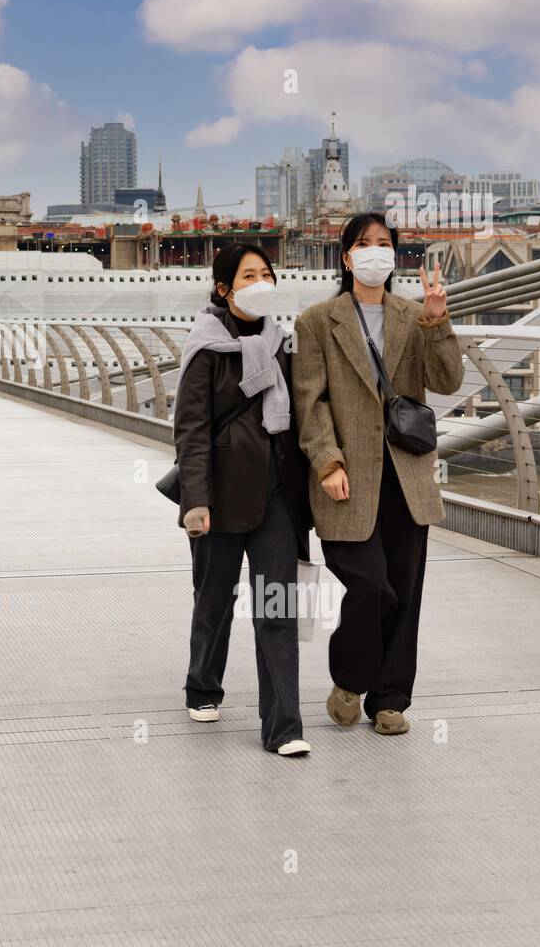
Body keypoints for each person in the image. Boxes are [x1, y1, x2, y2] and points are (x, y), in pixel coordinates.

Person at [293, 213, 463, 737]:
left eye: (384, 244)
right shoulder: (318, 321)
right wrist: (327, 461)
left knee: (404, 592)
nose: (374, 252)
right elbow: (310, 400)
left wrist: (438, 321)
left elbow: (447, 380)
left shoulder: (415, 317)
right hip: (346, 478)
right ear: (346, 258)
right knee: (371, 586)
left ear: (395, 255)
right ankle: (349, 679)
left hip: (406, 476)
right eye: (363, 245)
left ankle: (390, 699)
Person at [173, 242, 313, 757]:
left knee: (278, 607)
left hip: (277, 496)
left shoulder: (283, 343)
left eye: (266, 273)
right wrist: (196, 502)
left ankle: (284, 727)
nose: (260, 283)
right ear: (223, 288)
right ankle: (203, 685)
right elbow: (191, 432)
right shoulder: (206, 349)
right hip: (220, 497)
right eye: (248, 276)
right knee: (215, 599)